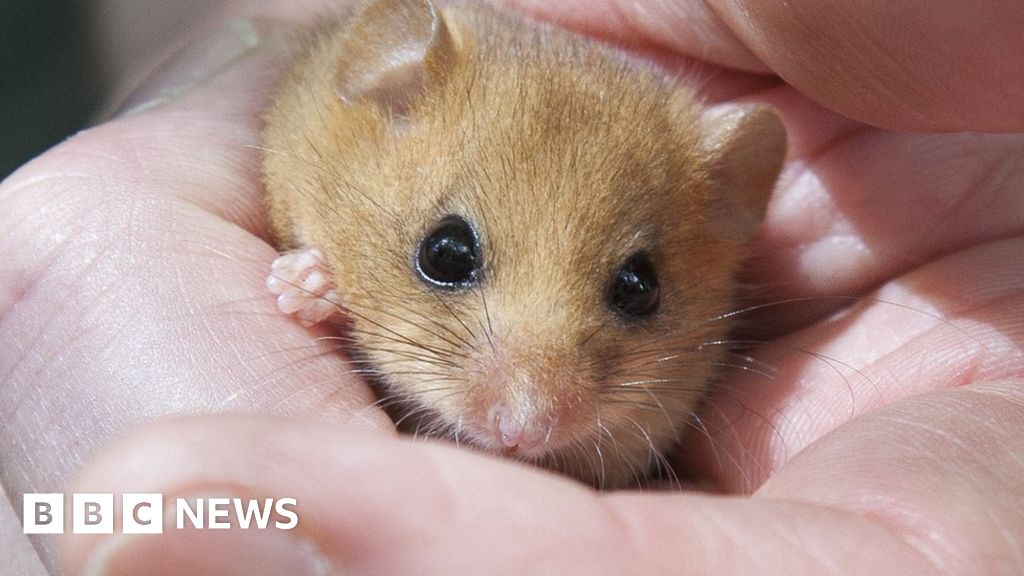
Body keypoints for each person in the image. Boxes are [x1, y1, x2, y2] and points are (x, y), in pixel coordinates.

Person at [2, 0, 1022, 573]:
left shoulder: (696, 246)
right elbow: (293, 106)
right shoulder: (371, 108)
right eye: (451, 260)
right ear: (380, 81)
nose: (529, 408)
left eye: (630, 289)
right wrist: (314, 254)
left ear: (730, 199)